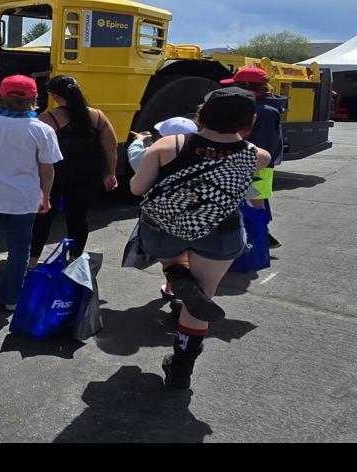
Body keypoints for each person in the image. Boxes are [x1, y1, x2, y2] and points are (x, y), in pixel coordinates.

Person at [129, 87, 270, 390]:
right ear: (250, 120)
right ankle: (181, 368)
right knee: (202, 298)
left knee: (173, 256)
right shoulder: (258, 156)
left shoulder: (169, 145)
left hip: (164, 230)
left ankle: (176, 271)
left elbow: (137, 189)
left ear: (201, 114)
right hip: (219, 232)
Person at [0, 74, 62, 310]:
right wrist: (45, 196)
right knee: (19, 249)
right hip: (22, 199)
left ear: (1, 97)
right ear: (34, 99)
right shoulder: (42, 130)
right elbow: (47, 170)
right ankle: (12, 299)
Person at [27, 76, 118, 268]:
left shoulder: (48, 118)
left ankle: (32, 262)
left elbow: (36, 151)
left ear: (54, 95)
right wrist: (110, 173)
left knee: (43, 217)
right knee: (78, 217)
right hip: (88, 173)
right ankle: (74, 261)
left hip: (57, 173)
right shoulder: (98, 116)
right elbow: (111, 148)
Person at [222, 66, 285, 248]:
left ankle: (260, 237)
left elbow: (263, 144)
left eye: (237, 86)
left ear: (249, 86)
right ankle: (262, 235)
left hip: (258, 165)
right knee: (257, 199)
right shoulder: (263, 105)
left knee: (254, 201)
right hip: (259, 163)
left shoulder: (264, 110)